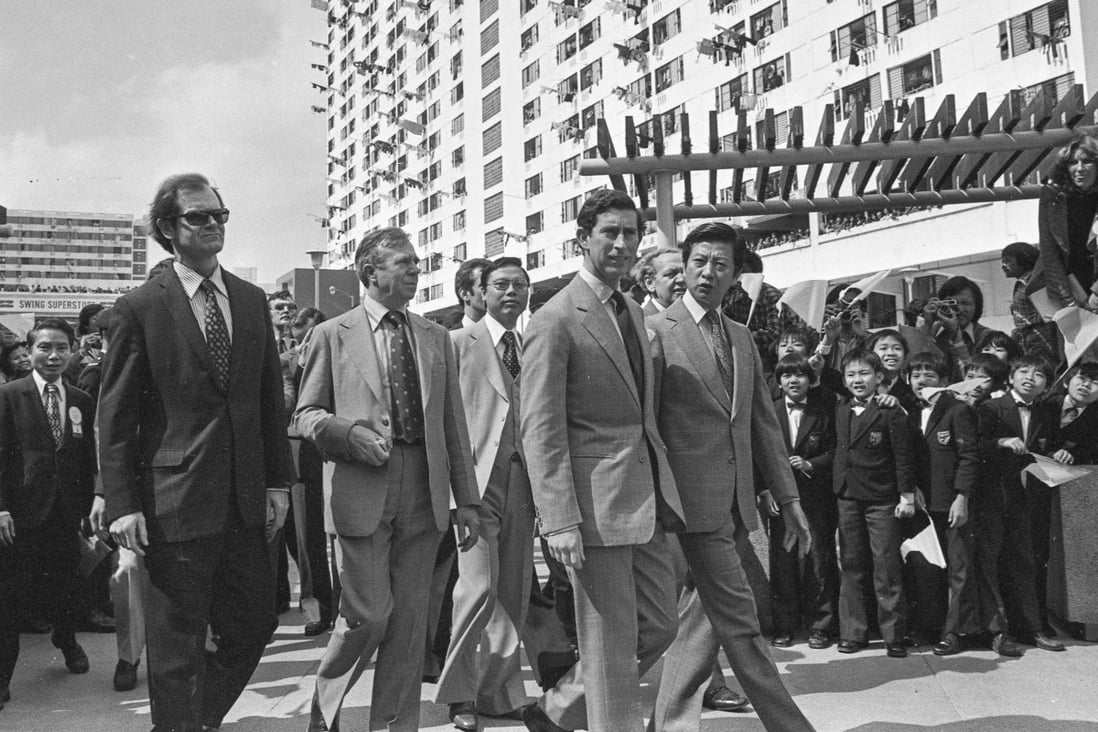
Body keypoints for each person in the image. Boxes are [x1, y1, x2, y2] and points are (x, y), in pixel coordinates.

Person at [99, 172, 296, 731]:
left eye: (220, 215)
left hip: (244, 501)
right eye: (198, 217)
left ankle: (191, 720)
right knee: (177, 646)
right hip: (173, 503)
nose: (213, 225)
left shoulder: (252, 300)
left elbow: (266, 405)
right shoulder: (139, 307)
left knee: (253, 625)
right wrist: (121, 503)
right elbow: (115, 417)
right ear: (167, 228)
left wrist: (278, 483)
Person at [293, 227, 480, 732]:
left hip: (425, 487)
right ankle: (324, 718)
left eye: (417, 263)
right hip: (361, 489)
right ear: (369, 272)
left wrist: (468, 501)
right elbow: (305, 414)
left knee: (408, 625)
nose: (415, 271)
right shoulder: (332, 334)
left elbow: (453, 426)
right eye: (404, 263)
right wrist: (346, 433)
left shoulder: (435, 336)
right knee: (368, 616)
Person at [518, 190, 685, 732]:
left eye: (630, 233)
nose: (621, 244)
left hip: (647, 499)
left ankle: (558, 708)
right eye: (609, 232)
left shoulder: (632, 310)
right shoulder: (555, 317)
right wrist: (560, 517)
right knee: (610, 647)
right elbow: (540, 427)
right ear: (582, 238)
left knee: (660, 627)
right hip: (592, 509)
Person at [648, 221, 814, 732]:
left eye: (720, 264)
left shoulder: (740, 337)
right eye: (698, 261)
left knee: (699, 626)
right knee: (742, 626)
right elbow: (644, 425)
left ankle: (561, 709)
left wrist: (788, 499)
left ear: (735, 275)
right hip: (685, 509)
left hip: (735, 505)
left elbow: (763, 425)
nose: (706, 273)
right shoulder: (653, 332)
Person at [435, 257, 535, 730]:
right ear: (482, 292)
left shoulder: (535, 342)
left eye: (520, 284)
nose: (511, 292)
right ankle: (460, 695)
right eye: (500, 285)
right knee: (476, 589)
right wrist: (456, 494)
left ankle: (498, 692)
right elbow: (443, 420)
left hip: (524, 481)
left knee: (512, 592)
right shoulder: (457, 343)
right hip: (475, 486)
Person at [0, 318, 98, 712]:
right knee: (10, 598)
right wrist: (2, 507)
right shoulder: (9, 396)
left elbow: (85, 457)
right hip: (20, 516)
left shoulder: (80, 399)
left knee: (67, 585)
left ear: (72, 350)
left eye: (61, 347)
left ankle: (67, 640)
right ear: (29, 350)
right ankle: (4, 674)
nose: (53, 356)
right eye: (44, 348)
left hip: (65, 513)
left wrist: (91, 505)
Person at [423, 256, 493, 680]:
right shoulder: (449, 342)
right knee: (446, 578)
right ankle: (435, 657)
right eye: (487, 285)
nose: (499, 292)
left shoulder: (520, 341)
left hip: (502, 479)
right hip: (459, 478)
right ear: (467, 293)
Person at [974, 354, 1069, 655]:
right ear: (1012, 376)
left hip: (1029, 497)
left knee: (1025, 562)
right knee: (991, 562)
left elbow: (1049, 447)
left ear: (1046, 384)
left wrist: (1064, 452)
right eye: (1024, 371)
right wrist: (999, 443)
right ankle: (999, 632)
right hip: (994, 495)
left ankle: (1032, 629)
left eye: (1039, 374)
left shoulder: (1046, 412)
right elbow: (974, 447)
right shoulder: (990, 408)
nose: (1030, 377)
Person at [832, 350, 916, 658]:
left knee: (886, 566)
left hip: (882, 498)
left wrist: (906, 496)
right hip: (848, 497)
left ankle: (894, 634)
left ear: (879, 378)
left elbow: (903, 457)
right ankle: (853, 632)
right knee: (851, 565)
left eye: (864, 374)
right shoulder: (840, 408)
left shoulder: (890, 411)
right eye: (851, 375)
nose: (858, 380)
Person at [904, 352, 981, 656]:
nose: (921, 381)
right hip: (921, 504)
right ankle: (927, 626)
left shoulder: (957, 410)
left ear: (944, 381)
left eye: (929, 375)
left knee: (958, 569)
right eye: (915, 375)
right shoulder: (905, 410)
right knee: (925, 568)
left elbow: (969, 457)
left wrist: (962, 497)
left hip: (951, 504)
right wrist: (910, 489)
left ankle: (954, 632)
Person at [769, 353, 839, 651]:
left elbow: (837, 451)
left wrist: (811, 465)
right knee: (783, 560)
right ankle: (785, 625)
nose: (793, 380)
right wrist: (765, 492)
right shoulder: (769, 411)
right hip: (780, 500)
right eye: (786, 375)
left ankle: (821, 625)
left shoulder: (824, 409)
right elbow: (759, 455)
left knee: (818, 560)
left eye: (799, 375)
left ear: (810, 380)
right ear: (779, 381)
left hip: (814, 497)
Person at [281, 306, 334, 637]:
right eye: (305, 332)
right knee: (307, 537)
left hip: (339, 453)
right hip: (303, 456)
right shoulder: (287, 362)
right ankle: (319, 608)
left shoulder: (340, 356)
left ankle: (346, 609)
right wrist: (301, 363)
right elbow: (287, 403)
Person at [1034, 134, 1098, 311]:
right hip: (1068, 288)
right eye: (1072, 163)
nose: (1079, 169)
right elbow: (1049, 252)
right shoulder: (1052, 197)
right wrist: (1068, 301)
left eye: (1087, 161)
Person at [1001, 241, 1059, 363]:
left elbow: (1050, 312)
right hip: (1029, 334)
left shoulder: (1034, 280)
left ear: (1023, 259)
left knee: (1041, 366)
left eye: (1008, 260)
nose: (1003, 265)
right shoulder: (1024, 282)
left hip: (1039, 333)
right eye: (1003, 261)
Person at [932, 276, 991, 377]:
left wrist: (957, 338)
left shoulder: (989, 338)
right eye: (952, 303)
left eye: (966, 303)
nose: (959, 309)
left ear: (977, 306)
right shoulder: (936, 337)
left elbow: (973, 381)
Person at [639, 249, 685, 316]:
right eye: (671, 273)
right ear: (650, 283)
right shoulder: (640, 323)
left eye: (685, 272)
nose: (681, 279)